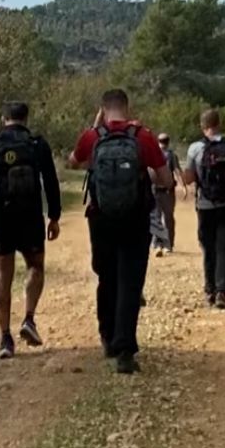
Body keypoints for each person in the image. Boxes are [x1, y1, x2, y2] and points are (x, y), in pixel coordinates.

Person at [69, 89, 170, 374]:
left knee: (107, 276)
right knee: (130, 280)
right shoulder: (143, 137)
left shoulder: (92, 137)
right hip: (135, 218)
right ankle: (125, 349)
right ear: (128, 106)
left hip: (100, 218)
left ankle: (107, 338)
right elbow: (166, 180)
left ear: (102, 108)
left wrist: (93, 127)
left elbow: (72, 162)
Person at [0, 101, 61, 361]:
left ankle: (5, 338)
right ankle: (29, 319)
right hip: (29, 215)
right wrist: (54, 216)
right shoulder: (36, 143)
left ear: (3, 118)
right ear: (26, 118)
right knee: (35, 266)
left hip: (0, 215)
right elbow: (51, 181)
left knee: (2, 274)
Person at [182, 108, 225, 310]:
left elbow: (188, 178)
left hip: (205, 206)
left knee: (208, 248)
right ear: (220, 124)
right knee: (224, 248)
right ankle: (222, 291)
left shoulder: (195, 149)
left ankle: (210, 290)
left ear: (203, 126)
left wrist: (187, 174)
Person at [151, 133, 181, 256]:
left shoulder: (172, 156)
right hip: (156, 191)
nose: (163, 143)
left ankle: (168, 244)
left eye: (165, 140)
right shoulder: (153, 155)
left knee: (168, 218)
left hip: (168, 191)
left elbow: (177, 170)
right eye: (161, 140)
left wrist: (183, 185)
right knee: (157, 218)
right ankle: (158, 244)